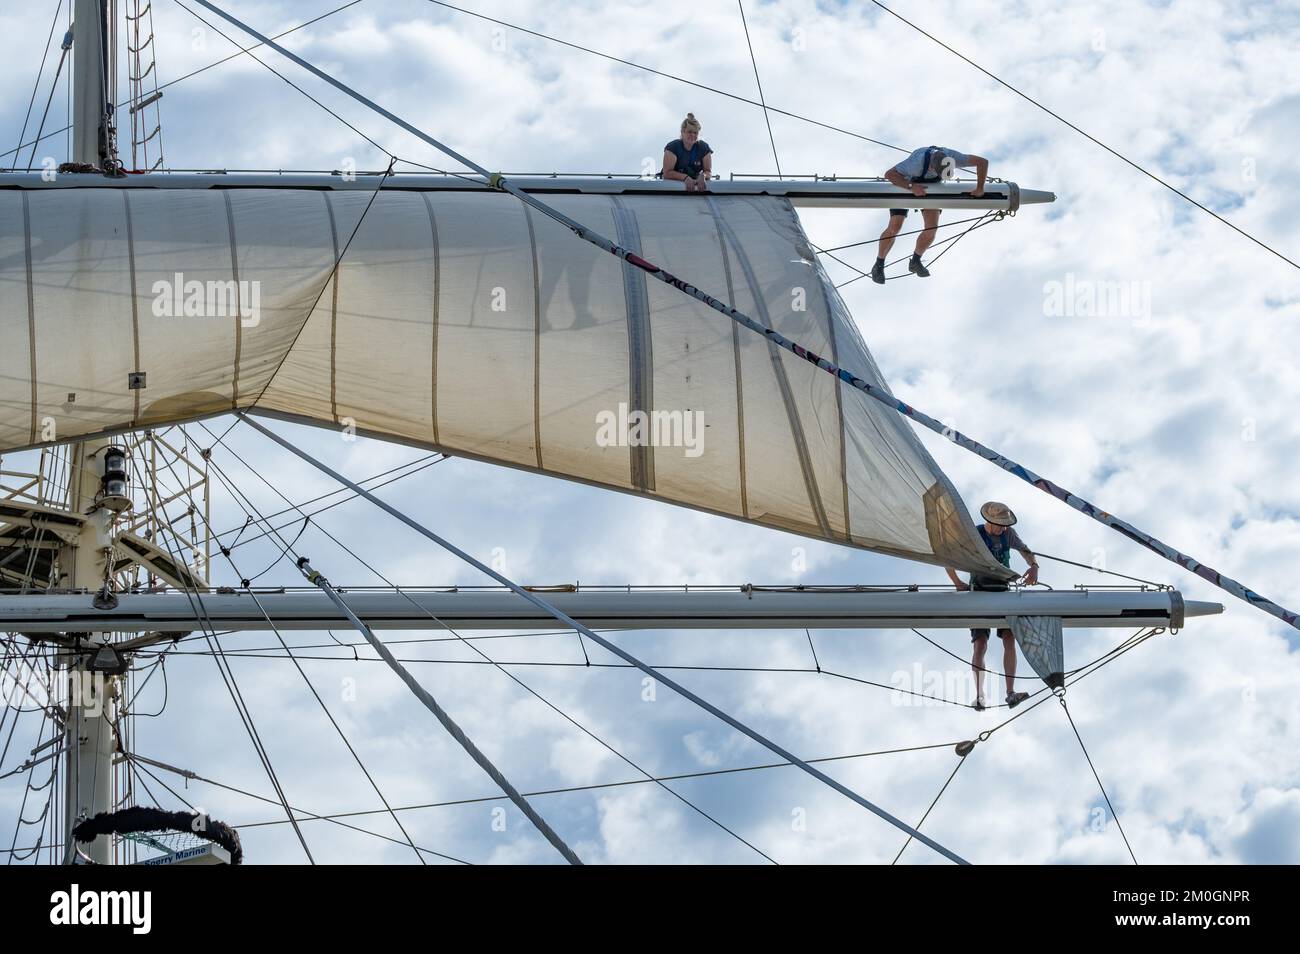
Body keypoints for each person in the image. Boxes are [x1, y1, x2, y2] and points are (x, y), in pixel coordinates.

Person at [945, 501, 1039, 711]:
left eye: (1005, 525)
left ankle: (1010, 693)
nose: (1003, 528)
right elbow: (949, 555)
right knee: (980, 644)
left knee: (1009, 638)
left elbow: (1026, 550)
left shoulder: (1008, 534)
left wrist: (1033, 566)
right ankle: (979, 696)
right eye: (999, 525)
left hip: (1001, 589)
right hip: (979, 590)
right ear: (989, 521)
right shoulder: (974, 534)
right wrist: (957, 583)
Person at [871, 146, 989, 284]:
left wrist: (980, 188)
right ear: (932, 168)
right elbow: (890, 174)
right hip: (905, 184)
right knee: (895, 226)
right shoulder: (916, 164)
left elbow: (982, 162)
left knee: (931, 228)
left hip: (931, 188)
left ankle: (915, 261)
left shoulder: (954, 157)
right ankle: (879, 264)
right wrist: (911, 187)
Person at [662, 113, 713, 192]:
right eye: (689, 132)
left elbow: (708, 171)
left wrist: (703, 175)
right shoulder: (673, 147)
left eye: (695, 132)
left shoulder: (703, 147)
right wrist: (685, 178)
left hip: (695, 188)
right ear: (682, 132)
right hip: (672, 187)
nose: (692, 135)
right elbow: (667, 173)